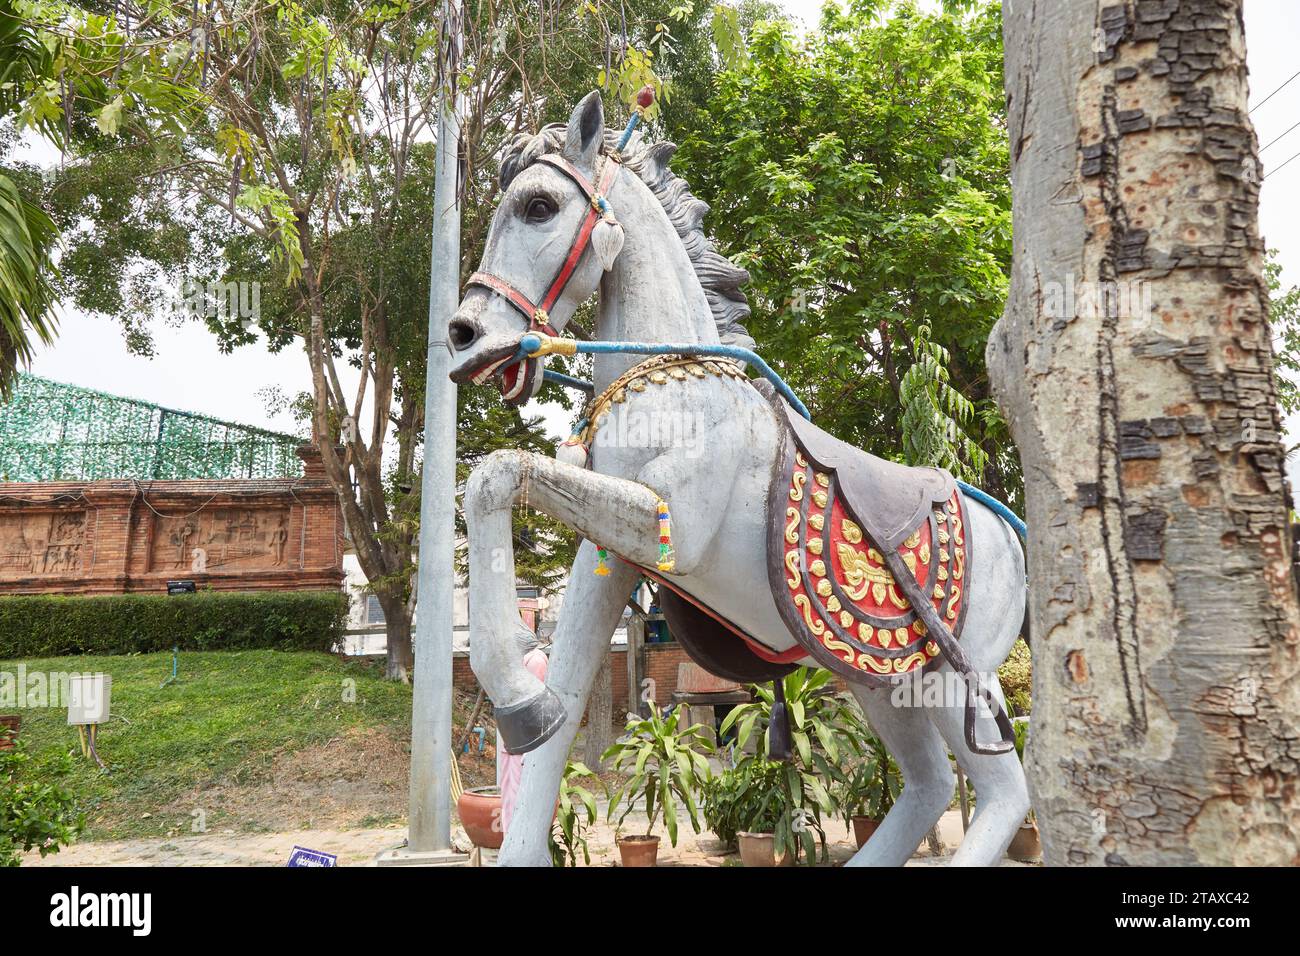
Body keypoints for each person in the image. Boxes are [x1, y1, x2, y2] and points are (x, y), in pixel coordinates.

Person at [496, 632, 549, 838]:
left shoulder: (535, 660)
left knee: (521, 796)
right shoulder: (512, 661)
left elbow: (535, 703)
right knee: (509, 796)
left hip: (526, 742)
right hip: (510, 738)